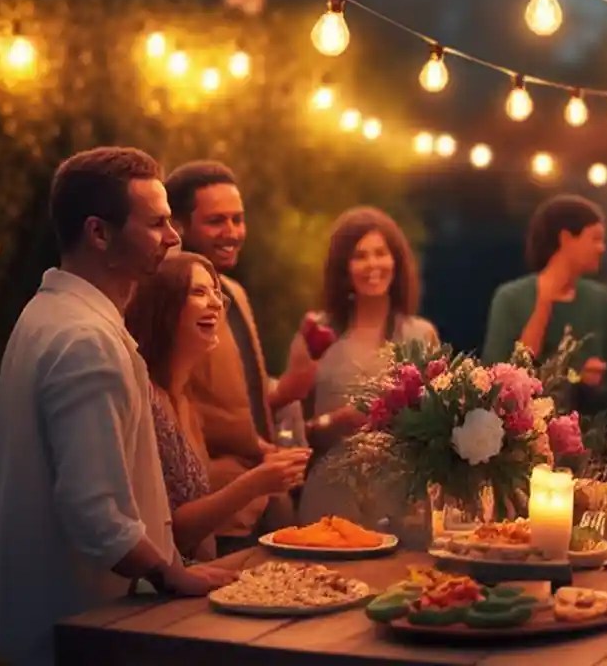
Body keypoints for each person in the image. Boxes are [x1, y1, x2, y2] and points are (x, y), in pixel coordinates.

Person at [0, 147, 234, 665]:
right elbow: (95, 512)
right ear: (99, 233)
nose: (174, 237)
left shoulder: (50, 313)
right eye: (156, 223)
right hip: (78, 631)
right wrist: (171, 574)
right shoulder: (85, 340)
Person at [164, 160, 313, 552]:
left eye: (237, 219)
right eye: (216, 221)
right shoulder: (165, 301)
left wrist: (288, 391)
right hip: (213, 503)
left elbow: (235, 401)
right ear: (178, 226)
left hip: (262, 492)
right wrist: (259, 453)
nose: (231, 232)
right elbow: (174, 403)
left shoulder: (235, 293)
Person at [125, 253, 312, 561]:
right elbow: (171, 531)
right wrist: (255, 483)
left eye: (216, 293)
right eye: (199, 292)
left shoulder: (186, 403)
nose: (215, 303)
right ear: (164, 309)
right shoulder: (148, 401)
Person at [291, 206, 438, 525]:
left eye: (380, 253)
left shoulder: (421, 335)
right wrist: (332, 422)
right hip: (329, 498)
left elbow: (435, 430)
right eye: (360, 256)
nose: (373, 264)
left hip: (401, 501)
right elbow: (290, 431)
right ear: (343, 267)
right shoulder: (316, 334)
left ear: (396, 261)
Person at [483, 195, 607, 426]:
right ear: (566, 238)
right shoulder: (511, 298)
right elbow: (500, 375)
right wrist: (544, 303)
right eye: (595, 239)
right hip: (524, 434)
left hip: (592, 435)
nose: (602, 248)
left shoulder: (601, 300)